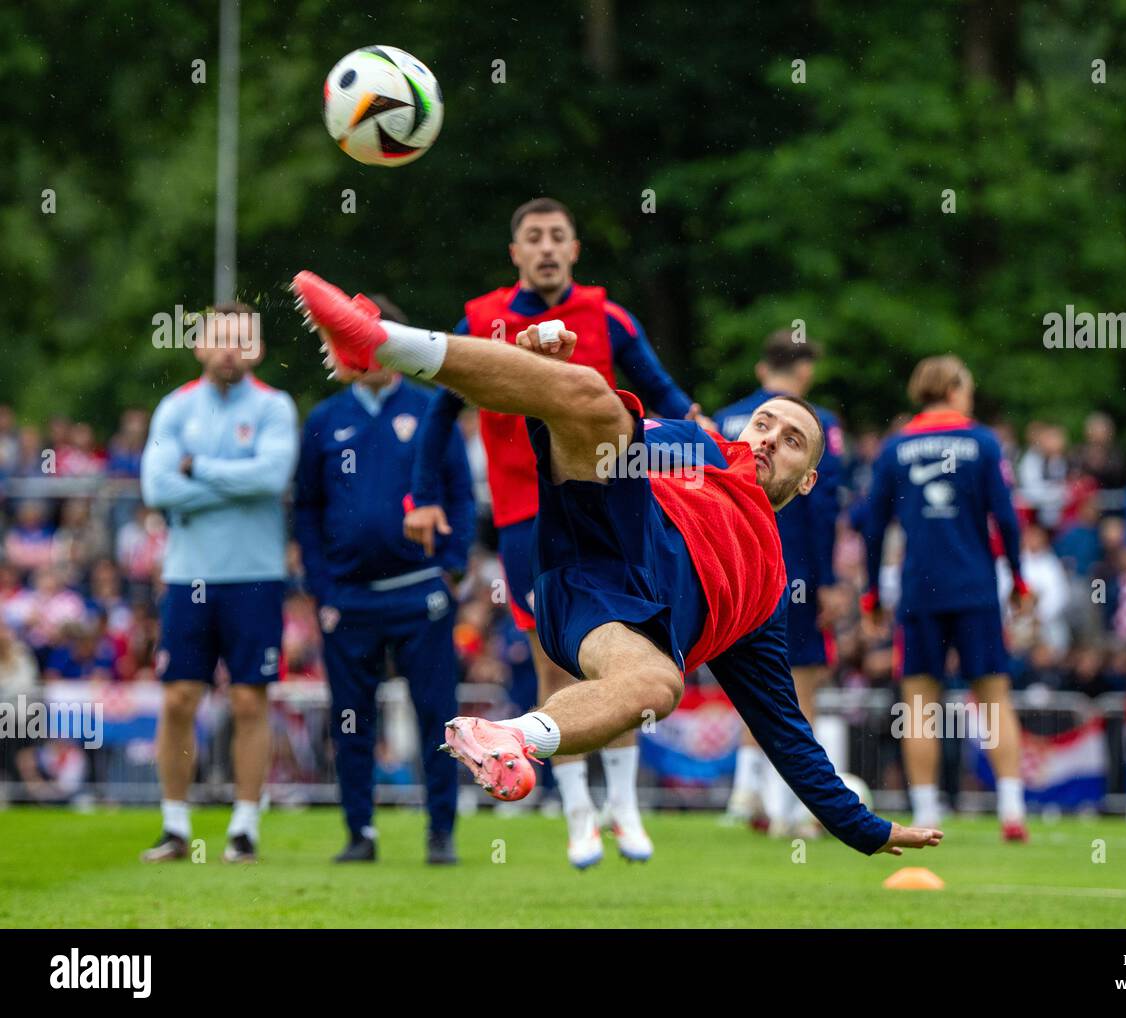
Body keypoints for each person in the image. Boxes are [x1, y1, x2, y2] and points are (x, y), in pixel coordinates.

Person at [290, 268, 942, 859]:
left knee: (661, 686)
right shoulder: (701, 445)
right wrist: (551, 397)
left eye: (792, 439)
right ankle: (380, 343)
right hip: (599, 529)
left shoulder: (768, 593)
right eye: (764, 423)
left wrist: (863, 827)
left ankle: (510, 737)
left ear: (807, 482)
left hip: (615, 628)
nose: (769, 437)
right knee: (595, 396)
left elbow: (789, 735)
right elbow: (609, 443)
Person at [403, 198, 708, 868]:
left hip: (608, 512)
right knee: (553, 660)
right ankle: (578, 816)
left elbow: (664, 392)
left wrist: (710, 448)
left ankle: (624, 809)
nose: (545, 248)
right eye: (532, 238)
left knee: (622, 653)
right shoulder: (482, 319)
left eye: (557, 237)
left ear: (574, 251)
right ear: (515, 253)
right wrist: (422, 496)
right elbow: (437, 415)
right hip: (523, 517)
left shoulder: (606, 315)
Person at [295, 296, 475, 865]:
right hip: (347, 600)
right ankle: (360, 833)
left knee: (437, 717)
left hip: (420, 591)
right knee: (351, 721)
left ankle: (441, 832)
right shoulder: (324, 420)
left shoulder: (430, 410)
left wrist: (452, 569)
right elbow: (305, 508)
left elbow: (461, 495)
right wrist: (322, 589)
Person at [139, 302, 298, 863]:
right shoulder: (174, 409)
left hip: (255, 577)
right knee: (180, 697)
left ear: (255, 347)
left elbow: (272, 477)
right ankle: (176, 825)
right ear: (199, 344)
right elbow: (157, 489)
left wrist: (197, 469)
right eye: (219, 337)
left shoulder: (275, 407)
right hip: (188, 577)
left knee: (251, 700)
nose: (229, 347)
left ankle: (244, 827)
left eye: (241, 338)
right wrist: (235, 481)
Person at [854, 355, 1031, 841]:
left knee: (919, 705)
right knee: (993, 698)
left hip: (919, 591)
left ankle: (927, 813)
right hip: (975, 587)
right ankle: (1012, 812)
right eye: (967, 386)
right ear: (953, 388)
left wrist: (871, 593)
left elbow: (872, 527)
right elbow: (1008, 519)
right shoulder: (982, 441)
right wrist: (1019, 580)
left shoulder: (894, 449)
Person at [714, 330, 846, 837]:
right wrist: (829, 580)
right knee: (800, 684)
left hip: (728, 564)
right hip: (792, 570)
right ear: (806, 371)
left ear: (761, 367)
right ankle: (796, 809)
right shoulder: (817, 426)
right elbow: (823, 507)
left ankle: (746, 793)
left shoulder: (733, 419)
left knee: (750, 677)